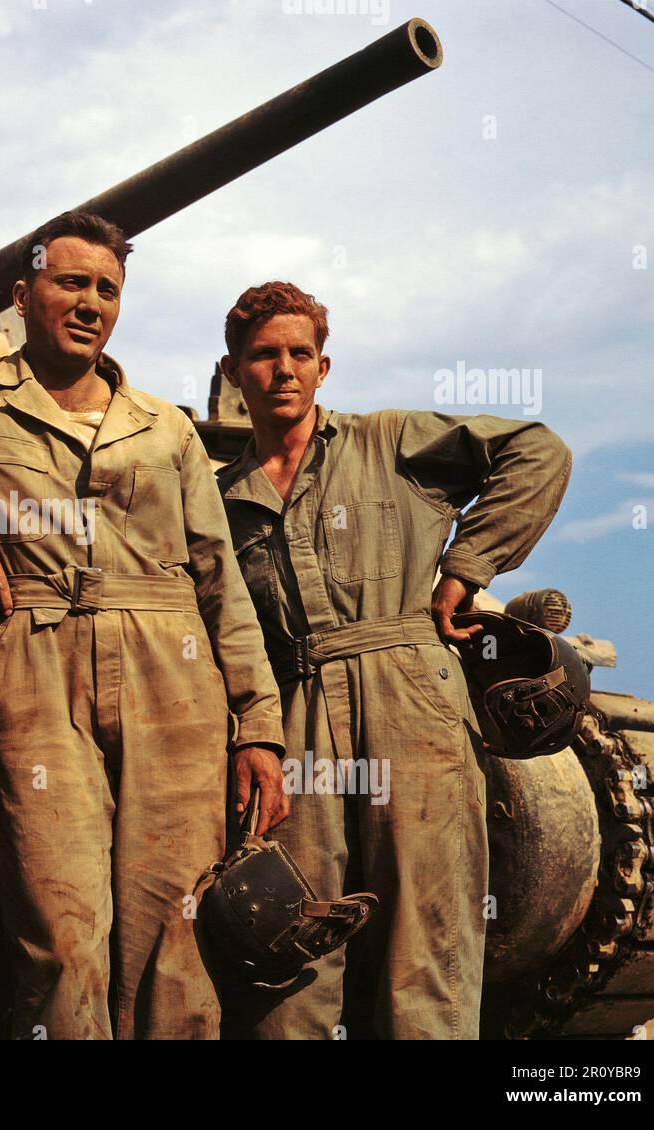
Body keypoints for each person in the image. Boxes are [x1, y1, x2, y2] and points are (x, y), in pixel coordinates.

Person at [0, 211, 287, 1040]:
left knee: (178, 940)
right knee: (59, 938)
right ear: (23, 296)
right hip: (36, 668)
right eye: (71, 282)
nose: (91, 302)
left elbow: (220, 582)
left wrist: (259, 728)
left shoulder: (165, 427)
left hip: (174, 680)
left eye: (108, 288)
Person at [214, 281, 572, 1039]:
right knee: (290, 945)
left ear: (323, 367)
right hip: (297, 708)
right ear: (235, 369)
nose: (283, 370)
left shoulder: (391, 441)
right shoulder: (221, 498)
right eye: (264, 355)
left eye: (299, 354)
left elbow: (539, 452)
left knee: (429, 941)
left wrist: (470, 564)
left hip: (410, 694)